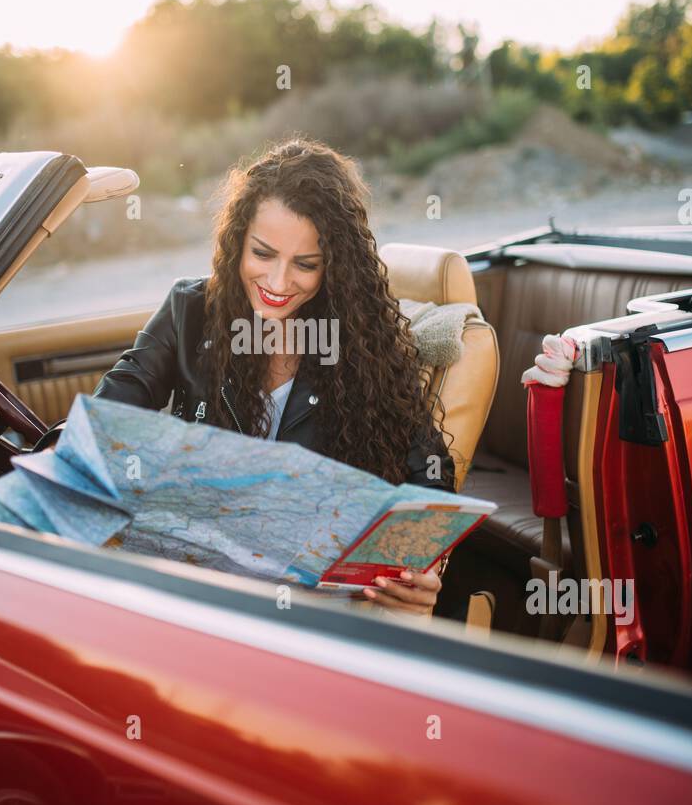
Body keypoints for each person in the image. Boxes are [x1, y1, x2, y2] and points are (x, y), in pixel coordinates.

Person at [92, 139, 455, 617]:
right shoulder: (190, 312)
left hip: (309, 594)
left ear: (334, 268)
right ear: (237, 240)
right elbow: (109, 415)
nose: (279, 283)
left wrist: (426, 568)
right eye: (262, 254)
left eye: (305, 265)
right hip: (206, 574)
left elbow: (431, 475)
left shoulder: (364, 339)